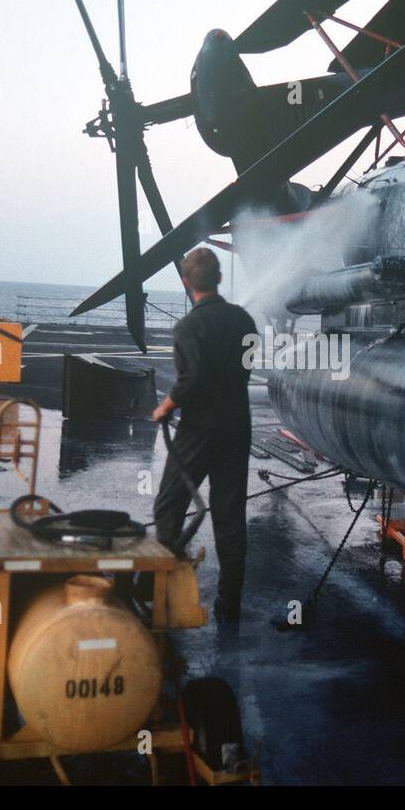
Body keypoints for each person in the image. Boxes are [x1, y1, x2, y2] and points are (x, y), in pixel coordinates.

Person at [151, 247, 257, 622]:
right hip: (237, 428)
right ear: (219, 279)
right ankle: (230, 605)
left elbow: (193, 379)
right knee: (230, 517)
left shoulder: (188, 327)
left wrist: (167, 405)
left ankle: (161, 596)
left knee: (169, 505)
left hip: (199, 430)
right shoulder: (244, 321)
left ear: (185, 283)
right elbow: (242, 369)